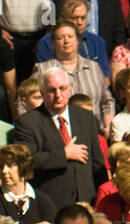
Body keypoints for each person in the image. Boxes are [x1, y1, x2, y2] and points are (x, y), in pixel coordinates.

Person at [12, 67, 106, 209]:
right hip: (51, 205)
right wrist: (64, 154)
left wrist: (102, 199)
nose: (58, 95)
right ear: (42, 93)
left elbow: (98, 164)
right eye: (51, 90)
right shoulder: (28, 122)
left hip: (87, 202)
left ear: (70, 89)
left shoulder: (85, 117)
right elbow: (25, 161)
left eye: (62, 88)